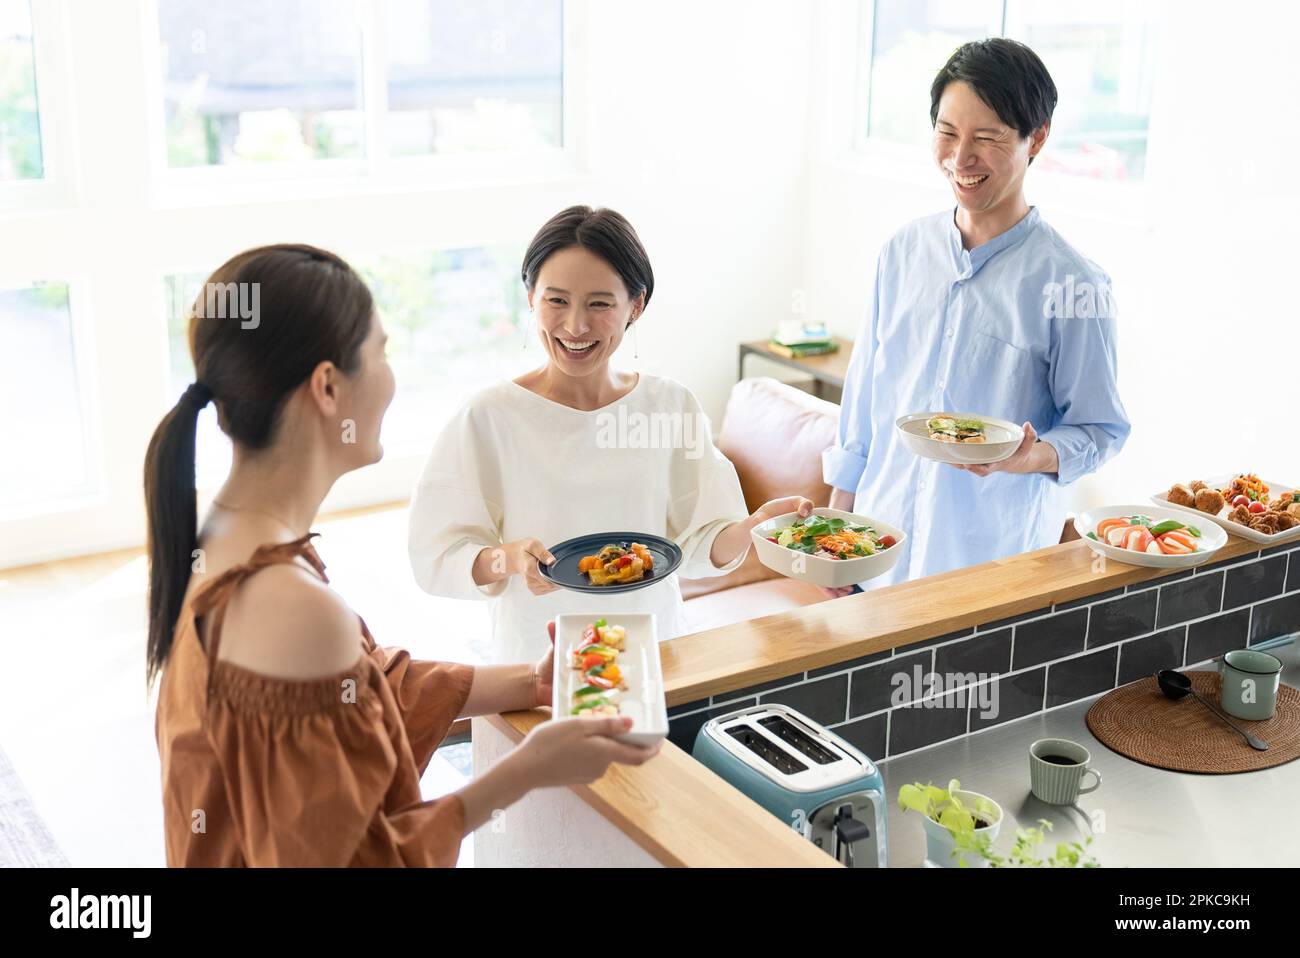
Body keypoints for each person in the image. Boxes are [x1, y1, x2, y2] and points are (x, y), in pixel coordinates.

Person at [148, 244, 658, 867]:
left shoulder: (226, 543)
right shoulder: (290, 606)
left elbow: (355, 690)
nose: (392, 378)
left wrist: (531, 680)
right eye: (381, 352)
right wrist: (525, 770)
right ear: (329, 387)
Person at [408, 206, 813, 662]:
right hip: (538, 664)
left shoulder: (669, 406)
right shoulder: (488, 416)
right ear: (530, 298)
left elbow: (701, 546)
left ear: (635, 306)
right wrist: (509, 559)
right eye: (556, 300)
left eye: (599, 304)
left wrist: (752, 529)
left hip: (655, 655)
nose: (575, 326)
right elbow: (437, 555)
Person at [824, 39, 1131, 593]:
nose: (960, 158)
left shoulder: (1073, 284)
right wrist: (835, 533)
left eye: (986, 138)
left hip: (988, 565)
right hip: (877, 548)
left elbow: (1101, 427)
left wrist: (1030, 456)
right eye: (947, 132)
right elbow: (864, 397)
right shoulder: (901, 252)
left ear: (1036, 138)